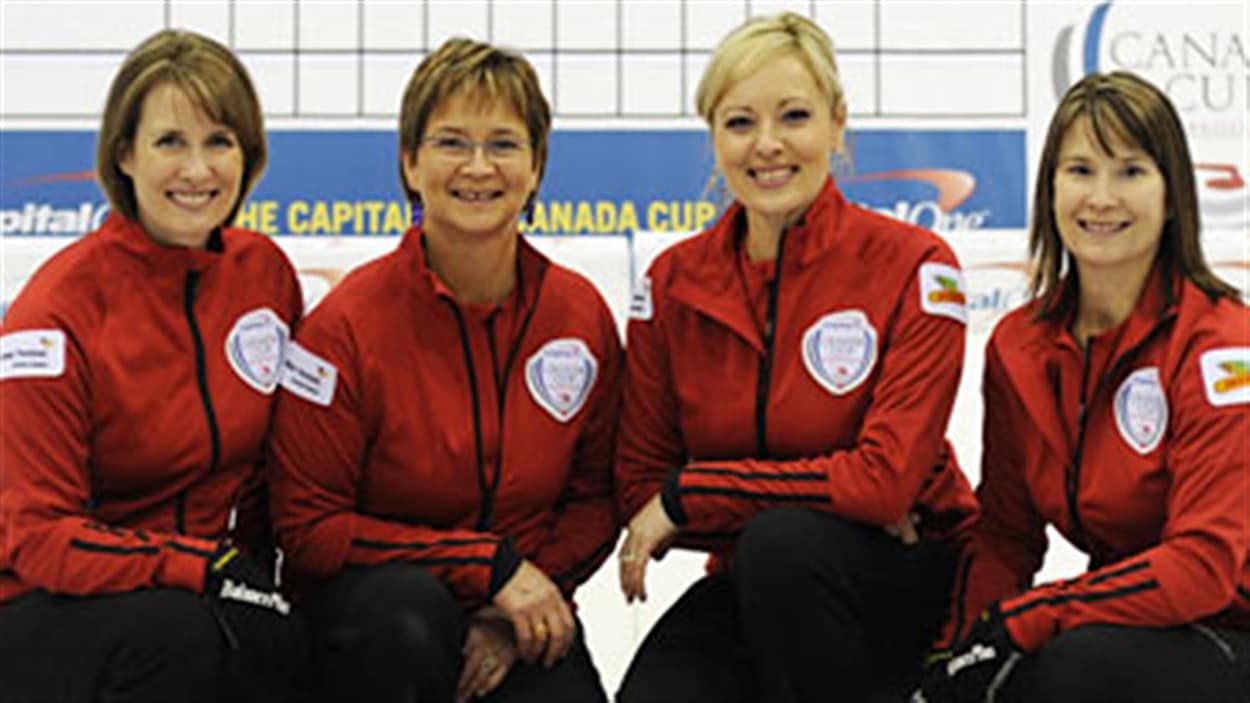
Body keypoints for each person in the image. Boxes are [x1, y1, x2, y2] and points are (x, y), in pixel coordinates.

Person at [614, 12, 978, 703]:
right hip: (755, 576)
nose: (768, 145)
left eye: (795, 116)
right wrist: (837, 498)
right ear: (713, 136)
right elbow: (640, 486)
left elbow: (886, 484)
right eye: (740, 122)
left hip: (909, 571)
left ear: (839, 125)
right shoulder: (671, 284)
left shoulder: (914, 265)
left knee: (788, 545)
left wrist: (692, 495)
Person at [267, 37, 622, 703]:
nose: (478, 167)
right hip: (369, 625)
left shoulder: (578, 315)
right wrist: (485, 566)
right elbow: (308, 527)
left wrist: (509, 605)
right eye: (452, 142)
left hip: (516, 612)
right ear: (410, 163)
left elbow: (596, 495)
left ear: (537, 167)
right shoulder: (344, 326)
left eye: (505, 144)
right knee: (408, 614)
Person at [914, 72, 1250, 703]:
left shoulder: (1222, 346)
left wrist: (1025, 619)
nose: (1102, 197)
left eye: (1130, 172)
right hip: (1138, 627)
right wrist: (957, 650)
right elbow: (1006, 536)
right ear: (1050, 188)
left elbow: (1204, 568)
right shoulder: (1018, 345)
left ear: (1173, 195)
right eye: (1080, 170)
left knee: (1072, 666)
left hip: (1232, 627)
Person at [0, 30, 304, 703]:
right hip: (36, 605)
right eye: (171, 142)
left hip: (186, 590)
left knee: (290, 640)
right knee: (184, 635)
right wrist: (202, 568)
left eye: (219, 141)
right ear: (125, 155)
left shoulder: (266, 276)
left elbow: (267, 476)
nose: (198, 171)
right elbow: (38, 537)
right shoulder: (57, 312)